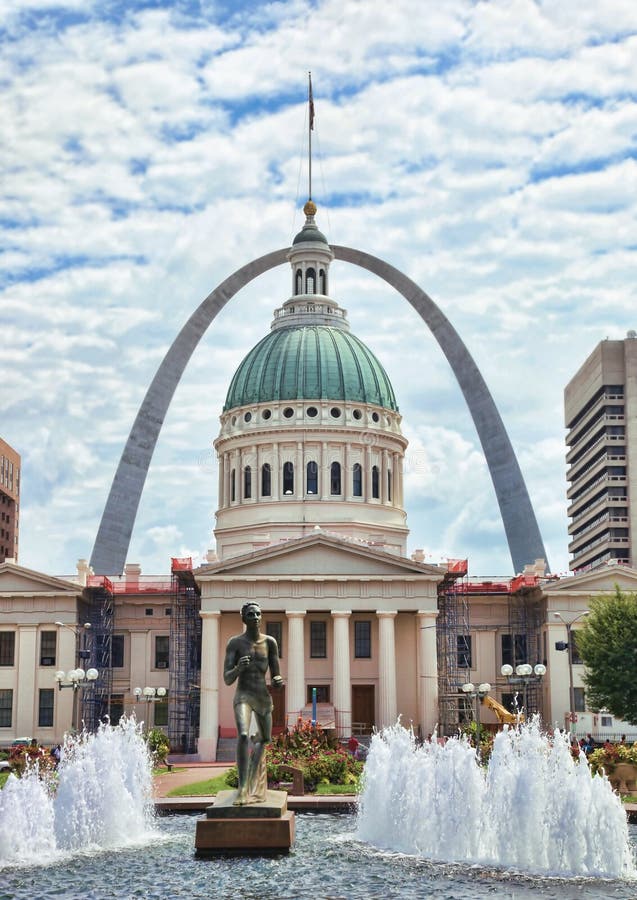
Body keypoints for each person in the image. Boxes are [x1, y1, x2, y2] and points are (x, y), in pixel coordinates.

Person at [223, 601, 283, 805]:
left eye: (258, 614)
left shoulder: (270, 643)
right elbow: (227, 679)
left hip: (262, 697)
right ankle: (243, 787)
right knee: (242, 734)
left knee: (264, 740)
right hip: (243, 695)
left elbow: (277, 676)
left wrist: (278, 681)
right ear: (244, 618)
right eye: (251, 614)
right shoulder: (235, 643)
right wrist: (238, 668)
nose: (255, 618)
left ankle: (252, 781)